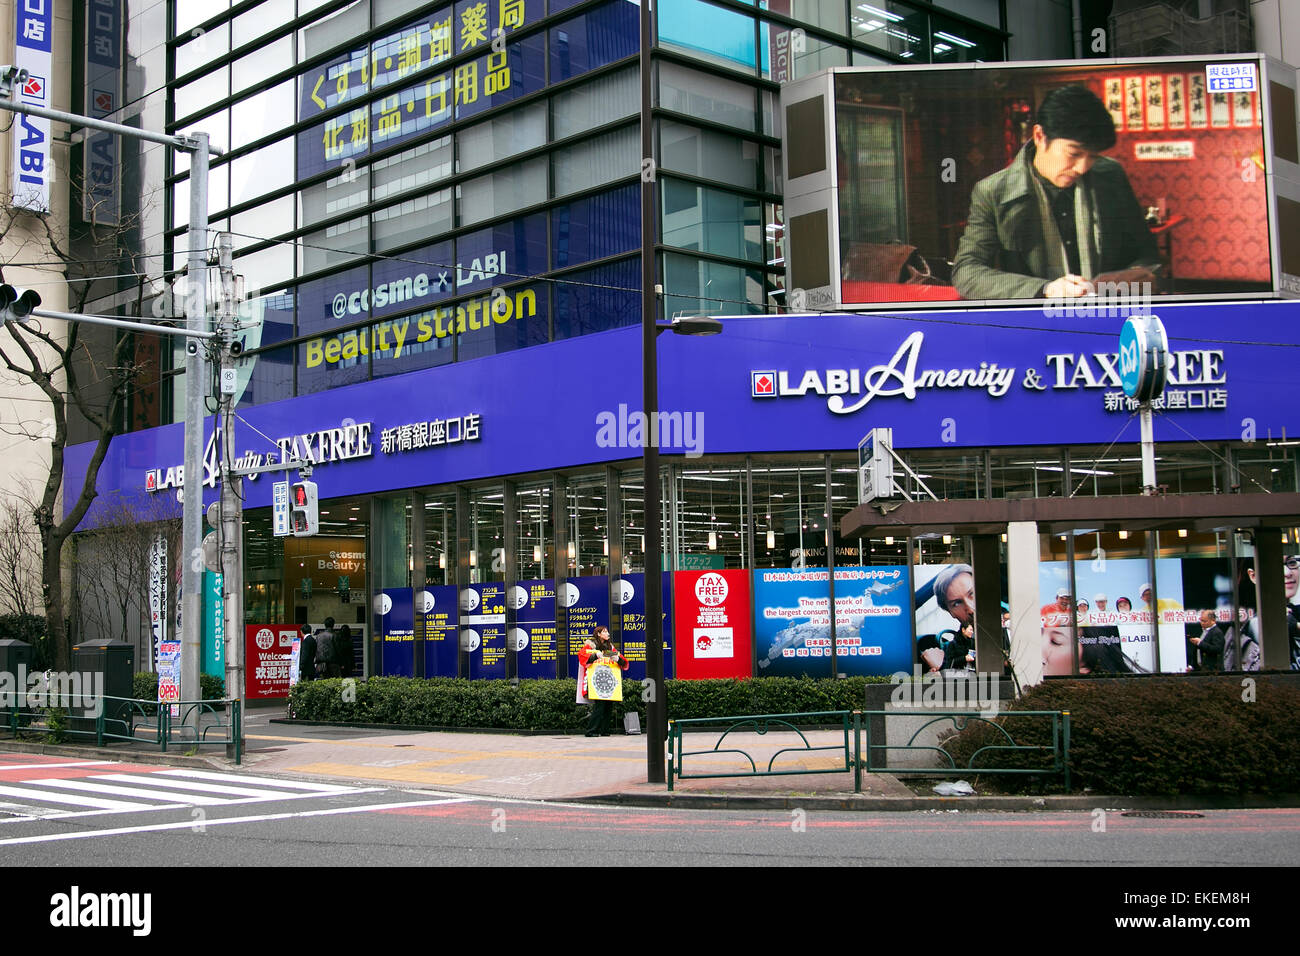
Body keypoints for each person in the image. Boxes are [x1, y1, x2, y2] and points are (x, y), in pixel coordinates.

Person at [952, 84, 1159, 301]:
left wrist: (1139, 273)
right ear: (1040, 136)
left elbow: (1146, 252)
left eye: (1093, 157)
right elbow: (967, 271)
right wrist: (1046, 289)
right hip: (1036, 319)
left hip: (1108, 311)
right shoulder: (994, 191)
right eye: (1074, 153)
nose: (1082, 168)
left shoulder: (1111, 174)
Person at [579, 627, 628, 737]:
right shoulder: (591, 645)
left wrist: (617, 659)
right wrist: (595, 655)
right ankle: (591, 730)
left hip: (607, 680)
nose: (608, 633)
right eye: (605, 632)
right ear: (599, 634)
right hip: (595, 680)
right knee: (599, 706)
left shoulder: (609, 647)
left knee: (608, 706)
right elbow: (582, 656)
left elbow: (622, 660)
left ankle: (605, 730)